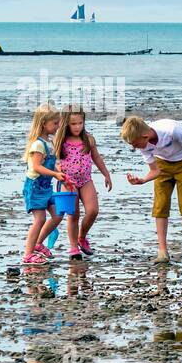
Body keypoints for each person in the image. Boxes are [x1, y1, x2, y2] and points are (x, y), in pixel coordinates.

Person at [120, 116, 182, 264]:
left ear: (145, 136)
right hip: (162, 164)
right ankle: (162, 252)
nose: (134, 148)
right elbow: (155, 171)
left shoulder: (172, 130)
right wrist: (142, 180)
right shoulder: (144, 144)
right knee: (160, 206)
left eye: (135, 144)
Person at [52, 105, 112, 260]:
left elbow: (96, 158)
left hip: (85, 180)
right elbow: (52, 160)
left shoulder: (88, 139)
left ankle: (82, 237)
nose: (77, 127)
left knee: (93, 211)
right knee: (73, 215)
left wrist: (106, 174)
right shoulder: (60, 140)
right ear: (66, 124)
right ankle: (73, 248)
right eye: (73, 124)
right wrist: (57, 173)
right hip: (67, 182)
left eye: (80, 123)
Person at [21, 104, 65, 265]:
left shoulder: (49, 142)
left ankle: (38, 244)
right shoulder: (38, 144)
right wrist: (55, 174)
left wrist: (58, 169)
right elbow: (37, 166)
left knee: (58, 214)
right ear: (43, 123)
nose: (58, 126)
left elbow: (48, 163)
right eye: (55, 123)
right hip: (35, 187)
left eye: (58, 122)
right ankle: (28, 254)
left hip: (46, 187)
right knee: (39, 219)